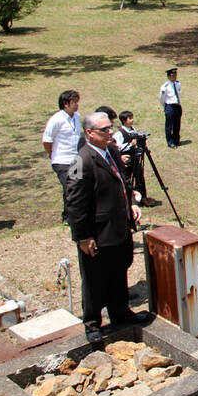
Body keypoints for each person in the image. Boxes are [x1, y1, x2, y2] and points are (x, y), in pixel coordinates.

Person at [64, 112, 144, 336]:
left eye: (111, 128)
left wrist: (131, 203)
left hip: (119, 228)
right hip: (97, 234)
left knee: (119, 272)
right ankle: (92, 324)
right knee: (94, 280)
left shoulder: (111, 150)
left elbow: (123, 181)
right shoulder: (81, 160)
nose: (110, 132)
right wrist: (83, 236)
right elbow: (74, 203)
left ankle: (120, 313)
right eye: (104, 130)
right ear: (89, 133)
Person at [42, 89, 82, 217]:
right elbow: (47, 140)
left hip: (76, 158)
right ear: (66, 104)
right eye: (74, 102)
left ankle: (69, 214)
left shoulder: (77, 117)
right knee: (69, 187)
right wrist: (52, 154)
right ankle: (70, 216)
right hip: (62, 159)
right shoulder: (56, 119)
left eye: (77, 101)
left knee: (77, 187)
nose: (77, 104)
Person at [158, 68, 183, 148]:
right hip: (170, 106)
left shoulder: (178, 84)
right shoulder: (165, 87)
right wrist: (165, 107)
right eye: (173, 75)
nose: (175, 77)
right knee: (169, 126)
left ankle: (176, 140)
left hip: (177, 106)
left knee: (177, 124)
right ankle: (170, 141)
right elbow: (162, 99)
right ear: (168, 76)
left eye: (175, 75)